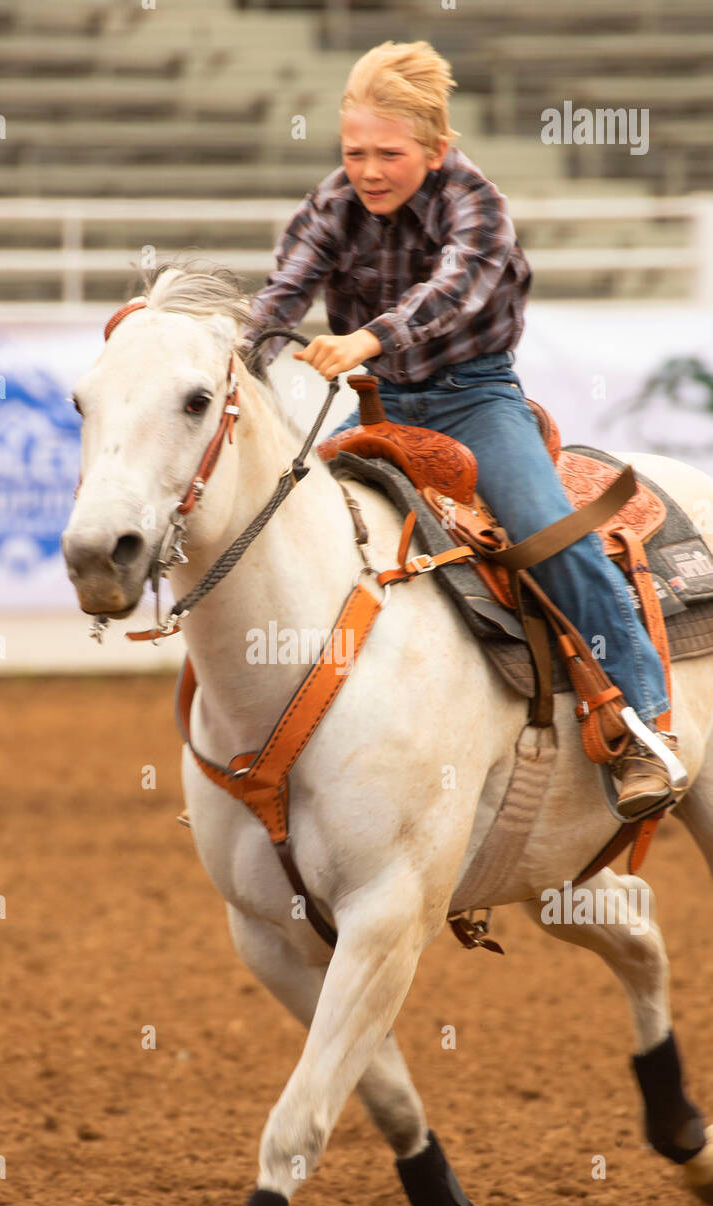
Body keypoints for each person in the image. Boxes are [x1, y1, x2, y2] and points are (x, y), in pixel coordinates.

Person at [240, 39, 683, 817]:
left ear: (438, 149)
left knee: (550, 532)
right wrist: (237, 353)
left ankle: (646, 729)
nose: (369, 170)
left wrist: (363, 341)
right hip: (382, 405)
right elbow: (285, 288)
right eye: (355, 152)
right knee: (292, 524)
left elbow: (455, 287)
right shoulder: (332, 204)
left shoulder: (476, 202)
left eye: (389, 153)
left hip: (474, 401)